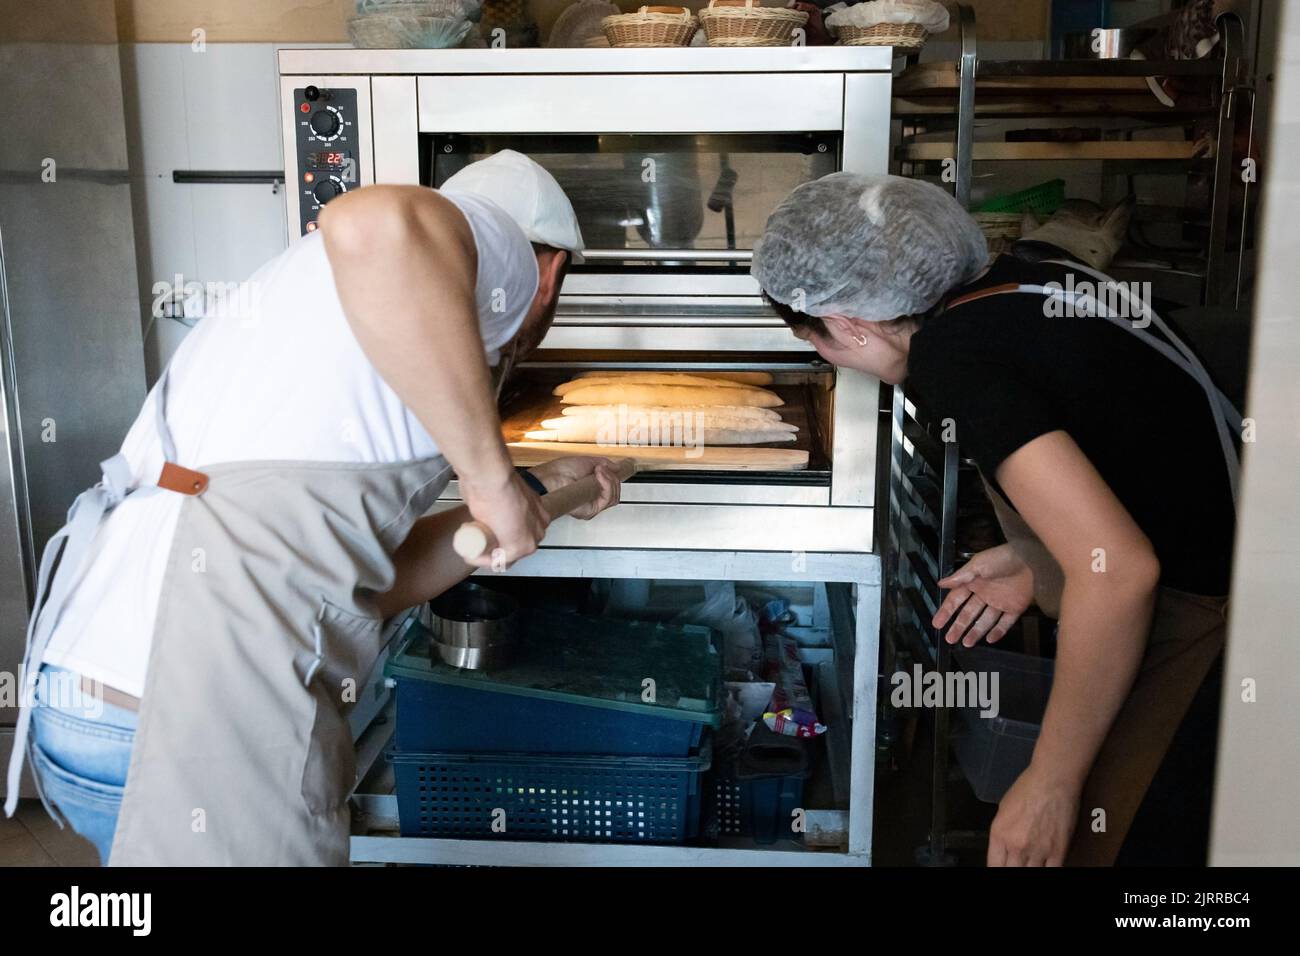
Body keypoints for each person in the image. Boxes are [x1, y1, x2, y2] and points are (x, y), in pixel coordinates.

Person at [4, 150, 623, 865]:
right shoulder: (502, 252)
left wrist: (535, 487)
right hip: (202, 719)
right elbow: (373, 221)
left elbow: (366, 582)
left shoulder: (306, 317)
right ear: (550, 274)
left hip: (86, 707)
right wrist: (489, 479)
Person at [751, 172, 1238, 866]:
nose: (826, 358)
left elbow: (1123, 572)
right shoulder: (1030, 274)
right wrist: (1037, 554)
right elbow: (1134, 454)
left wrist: (1051, 783)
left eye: (818, 341)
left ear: (852, 323)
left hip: (1216, 627)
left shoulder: (955, 355)